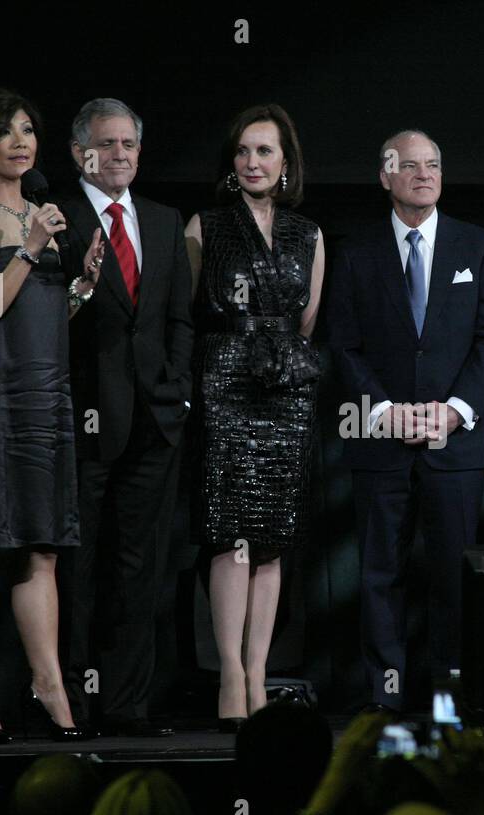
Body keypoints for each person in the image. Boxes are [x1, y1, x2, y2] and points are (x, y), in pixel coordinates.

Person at [328, 129, 484, 714]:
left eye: (432, 164)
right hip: (380, 445)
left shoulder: (477, 245)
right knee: (380, 575)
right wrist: (382, 412)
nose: (424, 174)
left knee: (454, 578)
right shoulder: (354, 252)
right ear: (385, 176)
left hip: (455, 447)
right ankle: (385, 702)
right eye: (409, 166)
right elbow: (345, 345)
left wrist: (454, 413)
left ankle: (448, 701)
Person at [0, 87, 103, 743]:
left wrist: (82, 288)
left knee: (43, 544)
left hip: (46, 397)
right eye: (6, 130)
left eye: (29, 129)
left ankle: (50, 689)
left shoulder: (44, 212)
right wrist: (33, 249)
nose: (21, 140)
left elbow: (39, 314)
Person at [58, 98, 195, 738]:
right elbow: (46, 321)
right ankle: (72, 707)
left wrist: (180, 392)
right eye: (106, 145)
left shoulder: (165, 221)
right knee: (80, 566)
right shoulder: (56, 220)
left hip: (156, 419)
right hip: (84, 418)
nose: (119, 156)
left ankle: (127, 707)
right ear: (81, 152)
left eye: (129, 145)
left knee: (140, 568)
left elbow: (178, 319)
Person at [184, 104, 324, 733]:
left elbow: (305, 322)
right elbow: (185, 314)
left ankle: (260, 671)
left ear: (285, 162)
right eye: (243, 151)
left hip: (286, 392)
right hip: (225, 384)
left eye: (265, 151)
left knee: (271, 543)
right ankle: (231, 677)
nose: (253, 162)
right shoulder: (206, 226)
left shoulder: (308, 234)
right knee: (228, 537)